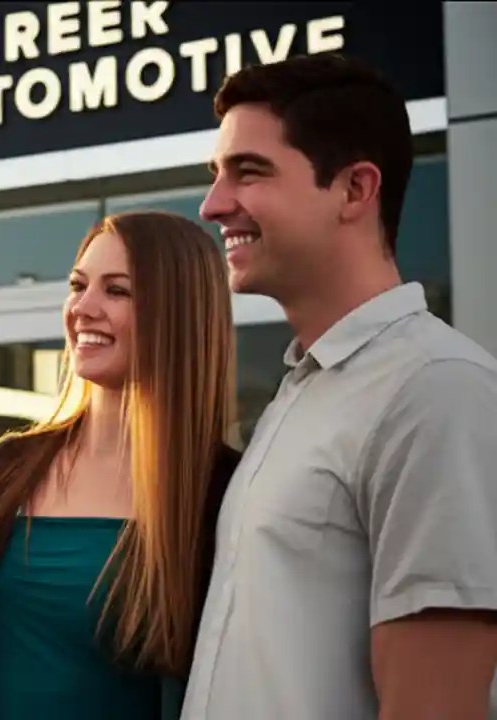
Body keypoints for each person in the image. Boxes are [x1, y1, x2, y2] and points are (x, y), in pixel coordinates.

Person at [183, 53, 497, 720]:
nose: (213, 205)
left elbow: (434, 708)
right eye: (216, 176)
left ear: (355, 190)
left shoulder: (435, 391)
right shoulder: (302, 391)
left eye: (249, 171)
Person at [0, 211, 243, 720]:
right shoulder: (10, 468)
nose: (83, 308)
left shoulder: (225, 491)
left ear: (179, 313)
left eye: (117, 291)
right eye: (78, 285)